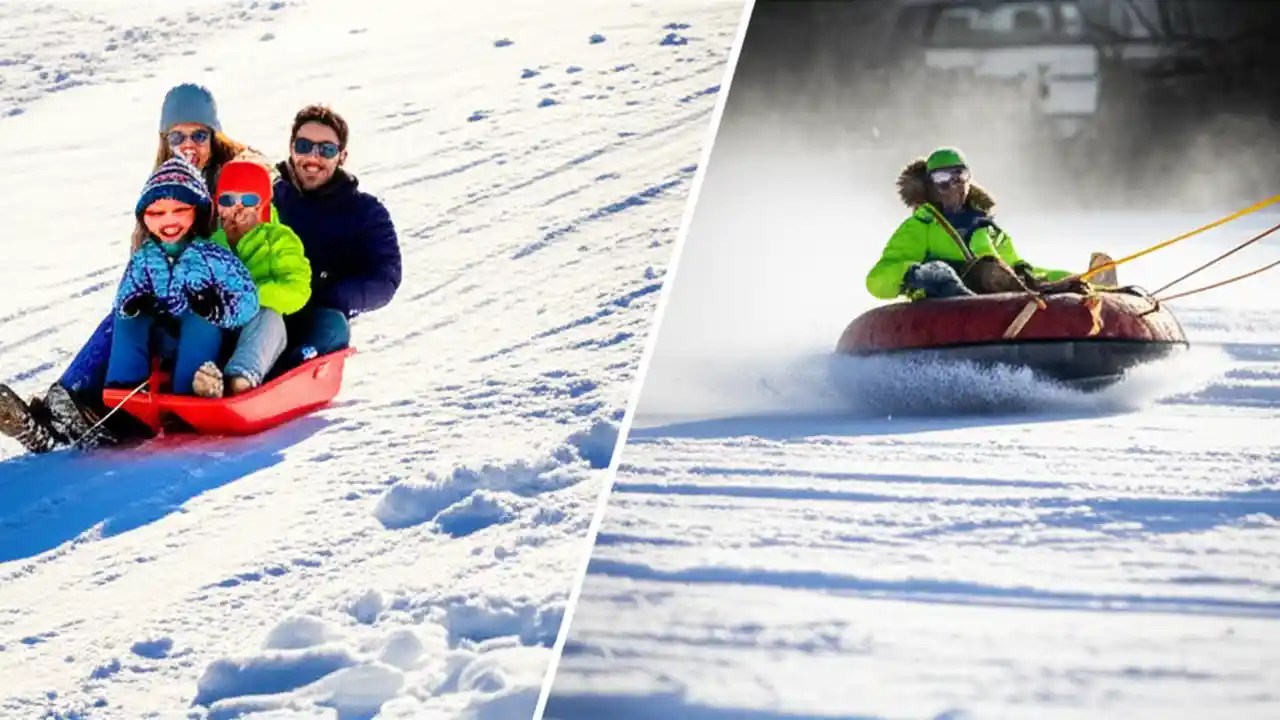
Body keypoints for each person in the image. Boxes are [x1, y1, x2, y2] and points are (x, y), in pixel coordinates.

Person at [0, 83, 260, 452]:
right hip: (168, 306)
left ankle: (114, 410)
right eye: (177, 136)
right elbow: (139, 266)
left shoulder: (240, 179)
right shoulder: (161, 184)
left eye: (199, 135)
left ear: (215, 136)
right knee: (123, 317)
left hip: (219, 314)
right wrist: (141, 297)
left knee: (188, 325)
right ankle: (62, 411)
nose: (188, 145)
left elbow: (260, 245)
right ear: (164, 140)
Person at [106, 158, 260, 399]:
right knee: (127, 319)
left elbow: (248, 299)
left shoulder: (212, 256)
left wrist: (219, 309)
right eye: (157, 213)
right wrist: (134, 303)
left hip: (207, 346)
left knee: (200, 320)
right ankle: (124, 391)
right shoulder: (144, 257)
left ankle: (188, 393)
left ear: (197, 212)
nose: (169, 221)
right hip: (163, 340)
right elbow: (124, 294)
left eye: (179, 211)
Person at [270, 104, 401, 370]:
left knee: (333, 326)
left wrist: (327, 294)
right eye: (304, 146)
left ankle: (290, 371)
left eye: (326, 150)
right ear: (291, 148)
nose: (313, 157)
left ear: (342, 156)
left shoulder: (364, 211)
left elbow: (385, 278)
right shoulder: (266, 198)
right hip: (266, 306)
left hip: (317, 314)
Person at [865, 147, 1088, 301]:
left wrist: (1075, 278)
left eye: (959, 175)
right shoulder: (921, 226)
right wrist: (914, 275)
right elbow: (877, 279)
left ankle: (1090, 289)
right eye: (942, 179)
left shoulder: (985, 228)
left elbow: (1015, 269)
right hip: (943, 302)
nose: (953, 184)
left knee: (1004, 274)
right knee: (972, 272)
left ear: (969, 179)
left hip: (995, 295)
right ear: (930, 186)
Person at [196, 159, 312, 397]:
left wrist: (252, 295)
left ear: (262, 205)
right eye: (228, 200)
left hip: (262, 331)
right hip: (223, 327)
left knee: (269, 317)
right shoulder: (210, 245)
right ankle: (206, 380)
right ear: (218, 205)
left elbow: (298, 289)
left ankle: (240, 380)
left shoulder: (279, 239)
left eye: (248, 200)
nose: (237, 208)